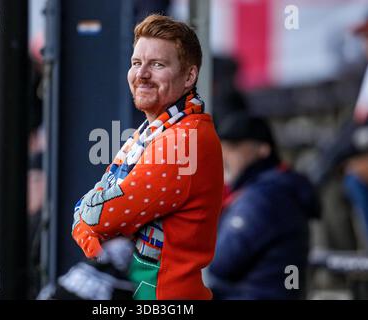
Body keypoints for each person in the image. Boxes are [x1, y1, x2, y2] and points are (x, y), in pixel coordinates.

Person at [71, 14, 224, 300]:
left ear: (189, 76)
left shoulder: (184, 140)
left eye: (157, 64)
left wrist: (86, 222)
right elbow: (100, 211)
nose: (141, 74)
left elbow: (96, 217)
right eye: (136, 63)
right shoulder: (155, 130)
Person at [208, 112, 320, 299]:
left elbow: (221, 264)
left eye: (234, 147)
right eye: (222, 147)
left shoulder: (264, 196)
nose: (225, 154)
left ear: (263, 149)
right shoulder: (278, 187)